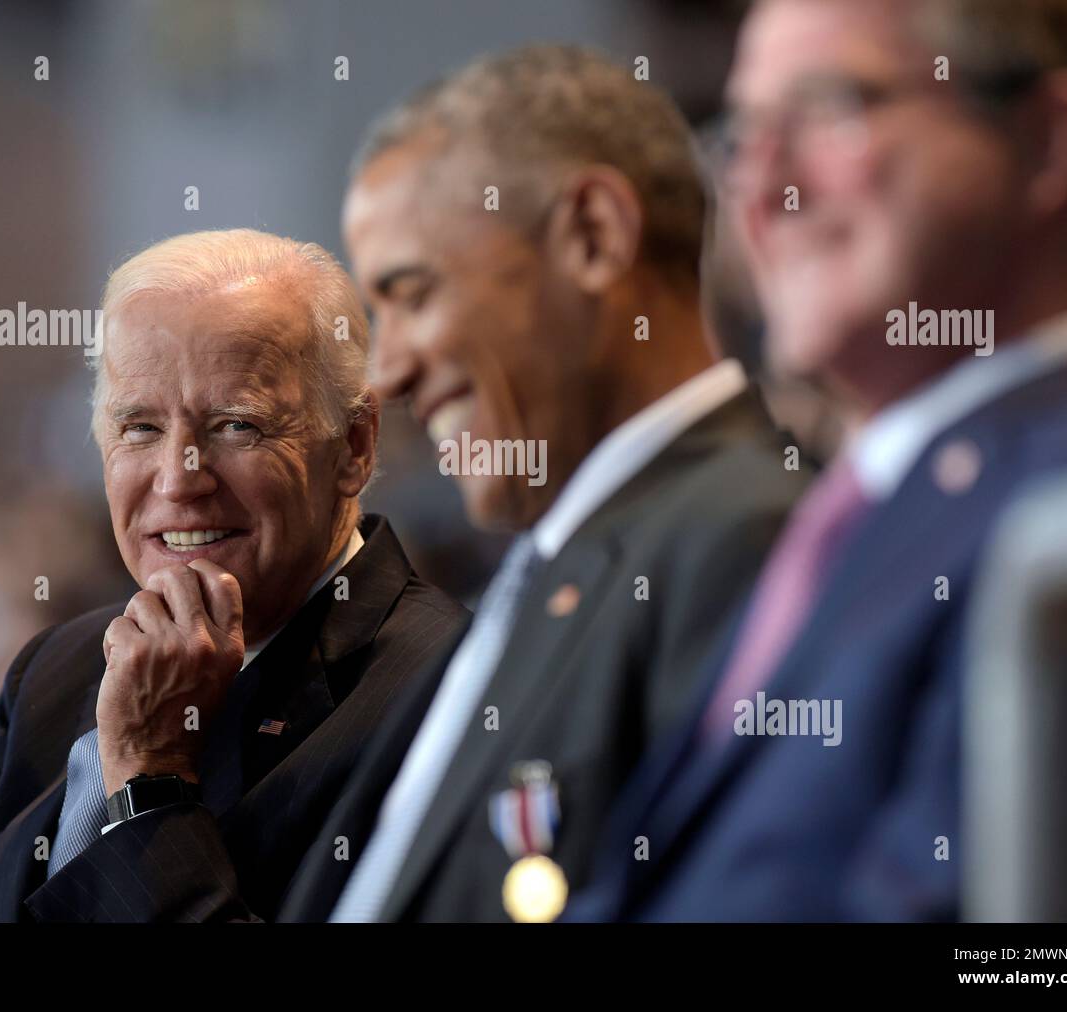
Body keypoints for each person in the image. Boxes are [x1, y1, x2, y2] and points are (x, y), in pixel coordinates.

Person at [568, 0, 1067, 921]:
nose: (764, 188)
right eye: (743, 135)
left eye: (829, 107)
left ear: (1048, 142)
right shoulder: (881, 498)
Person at [280, 44, 806, 923]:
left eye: (413, 293)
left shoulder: (743, 543)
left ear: (593, 236)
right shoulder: (532, 586)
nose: (390, 372)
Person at [0, 229, 468, 921]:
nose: (179, 481)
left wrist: (148, 780)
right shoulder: (52, 672)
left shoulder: (454, 691)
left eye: (236, 426)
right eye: (141, 429)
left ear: (355, 444)